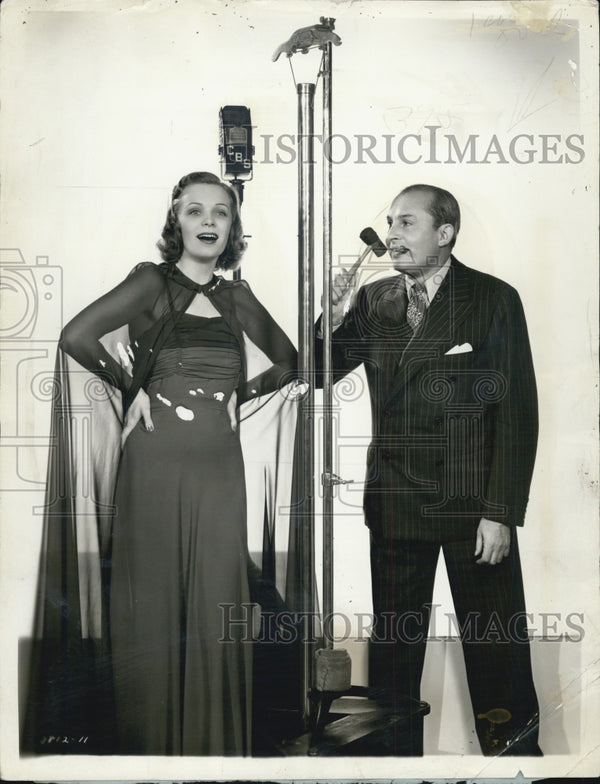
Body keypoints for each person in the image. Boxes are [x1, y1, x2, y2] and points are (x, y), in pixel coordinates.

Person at [29, 171, 297, 756]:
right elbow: (77, 336)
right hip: (153, 465)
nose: (207, 221)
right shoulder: (151, 283)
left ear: (233, 227)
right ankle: (152, 748)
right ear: (176, 223)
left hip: (219, 471)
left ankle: (212, 747)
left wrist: (240, 395)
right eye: (195, 211)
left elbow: (289, 361)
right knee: (152, 602)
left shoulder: (238, 297)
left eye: (220, 213)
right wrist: (134, 386)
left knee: (215, 597)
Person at [315, 184, 541, 756]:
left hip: (472, 508)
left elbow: (517, 412)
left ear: (445, 233)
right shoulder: (373, 298)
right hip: (395, 500)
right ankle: (393, 765)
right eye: (390, 222)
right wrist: (330, 309)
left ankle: (515, 763)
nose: (391, 234)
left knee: (497, 650)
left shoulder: (492, 298)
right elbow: (318, 373)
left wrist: (502, 512)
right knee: (393, 656)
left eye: (407, 223)